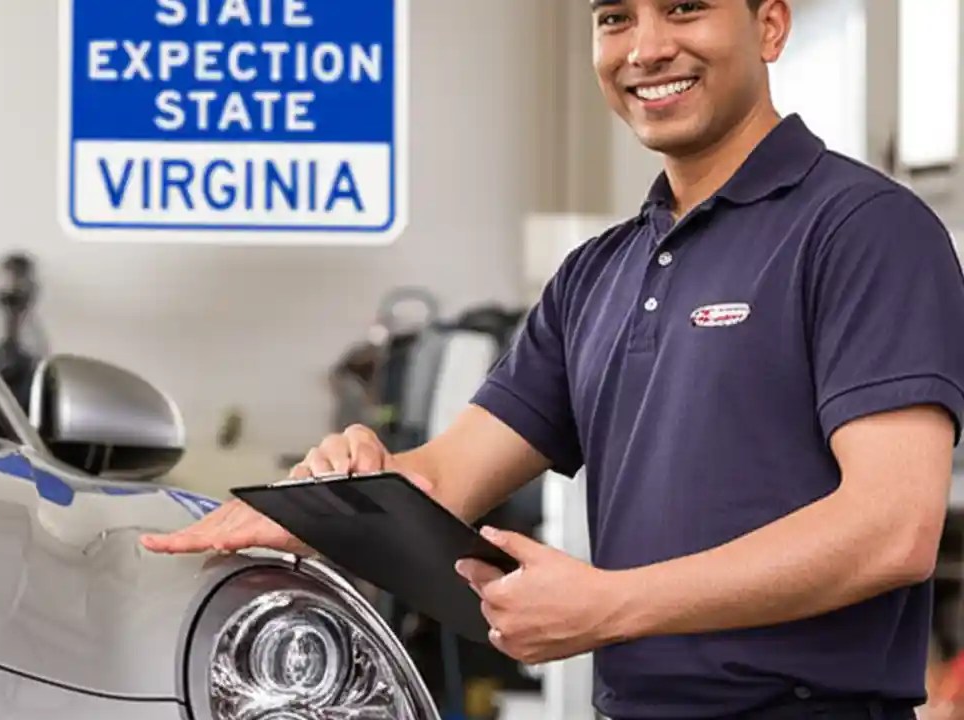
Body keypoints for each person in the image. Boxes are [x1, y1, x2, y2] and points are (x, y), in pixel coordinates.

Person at [142, 0, 964, 717]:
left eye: (685, 8)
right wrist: (335, 503)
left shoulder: (863, 229)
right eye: (615, 19)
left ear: (771, 26)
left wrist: (611, 604)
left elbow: (892, 529)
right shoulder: (597, 273)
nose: (644, 48)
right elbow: (451, 474)